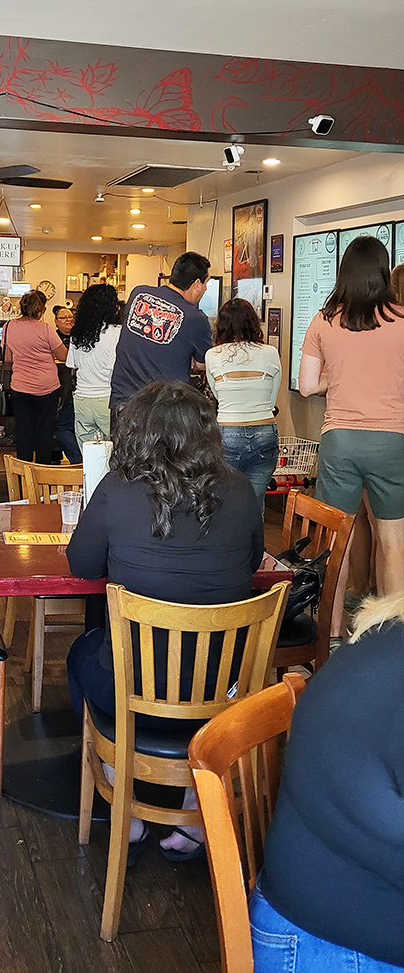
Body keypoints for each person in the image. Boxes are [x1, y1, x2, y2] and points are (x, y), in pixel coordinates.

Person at [66, 381, 263, 862]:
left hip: (133, 689)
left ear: (137, 431)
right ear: (207, 434)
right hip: (225, 690)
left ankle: (125, 807)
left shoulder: (118, 489)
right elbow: (253, 560)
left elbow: (82, 565)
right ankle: (197, 809)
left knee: (80, 656)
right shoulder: (240, 490)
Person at [250, 591, 404, 971]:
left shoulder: (382, 632)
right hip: (336, 937)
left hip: (150, 694)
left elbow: (87, 561)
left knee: (91, 656)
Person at [298, 236, 404, 639]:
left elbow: (307, 385)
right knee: (393, 540)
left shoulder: (324, 320)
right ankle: (391, 639)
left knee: (337, 539)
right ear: (383, 269)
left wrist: (336, 378)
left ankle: (333, 630)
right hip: (393, 441)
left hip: (340, 440)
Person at [109, 252, 212, 412]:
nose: (205, 289)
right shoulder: (195, 318)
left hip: (123, 402)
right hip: (162, 410)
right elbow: (202, 363)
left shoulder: (139, 294)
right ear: (197, 284)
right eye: (206, 283)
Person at [205, 298, 281, 513]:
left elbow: (217, 394)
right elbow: (271, 399)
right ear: (253, 323)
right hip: (265, 431)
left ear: (221, 325)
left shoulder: (212, 355)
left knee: (224, 505)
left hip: (228, 431)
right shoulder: (270, 352)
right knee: (254, 504)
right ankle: (255, 547)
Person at [2, 289, 68, 464]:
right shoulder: (46, 329)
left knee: (24, 433)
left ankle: (24, 477)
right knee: (44, 435)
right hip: (47, 389)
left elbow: (8, 358)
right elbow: (63, 356)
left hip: (20, 387)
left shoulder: (9, 326)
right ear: (40, 310)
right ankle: (41, 478)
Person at [67, 283, 122, 447]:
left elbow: (72, 364)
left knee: (89, 456)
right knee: (114, 454)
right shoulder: (116, 332)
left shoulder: (77, 333)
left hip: (82, 399)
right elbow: (115, 367)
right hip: (106, 398)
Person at [52, 305, 82, 463]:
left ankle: (78, 460)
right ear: (56, 322)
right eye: (64, 318)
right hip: (60, 386)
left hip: (77, 386)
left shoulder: (81, 336)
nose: (69, 320)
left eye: (71, 317)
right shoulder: (53, 336)